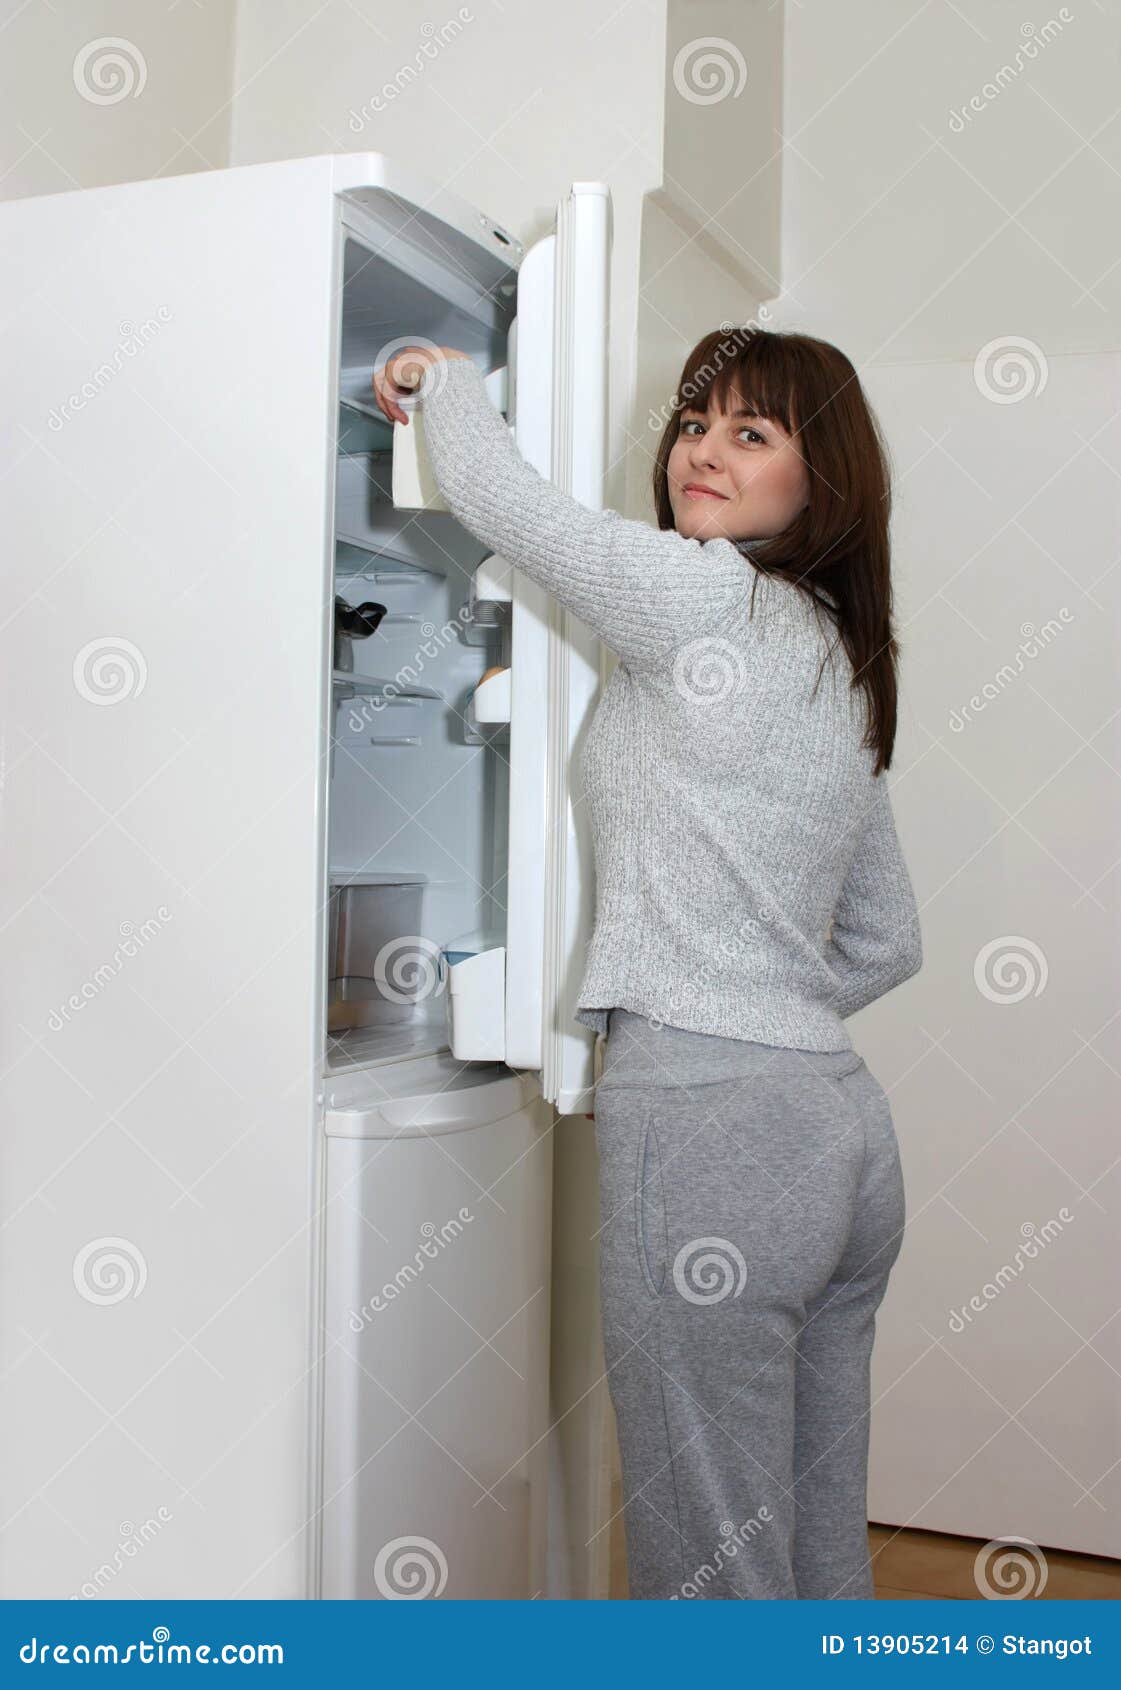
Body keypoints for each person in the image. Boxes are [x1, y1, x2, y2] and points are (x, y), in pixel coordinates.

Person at [371, 327, 923, 1600]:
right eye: (693, 422)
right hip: (838, 1131)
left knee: (709, 1561)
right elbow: (887, 940)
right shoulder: (840, 667)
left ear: (816, 480)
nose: (701, 451)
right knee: (812, 1538)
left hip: (710, 1131)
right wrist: (763, 1014)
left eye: (750, 431)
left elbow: (503, 497)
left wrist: (434, 374)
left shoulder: (700, 594)